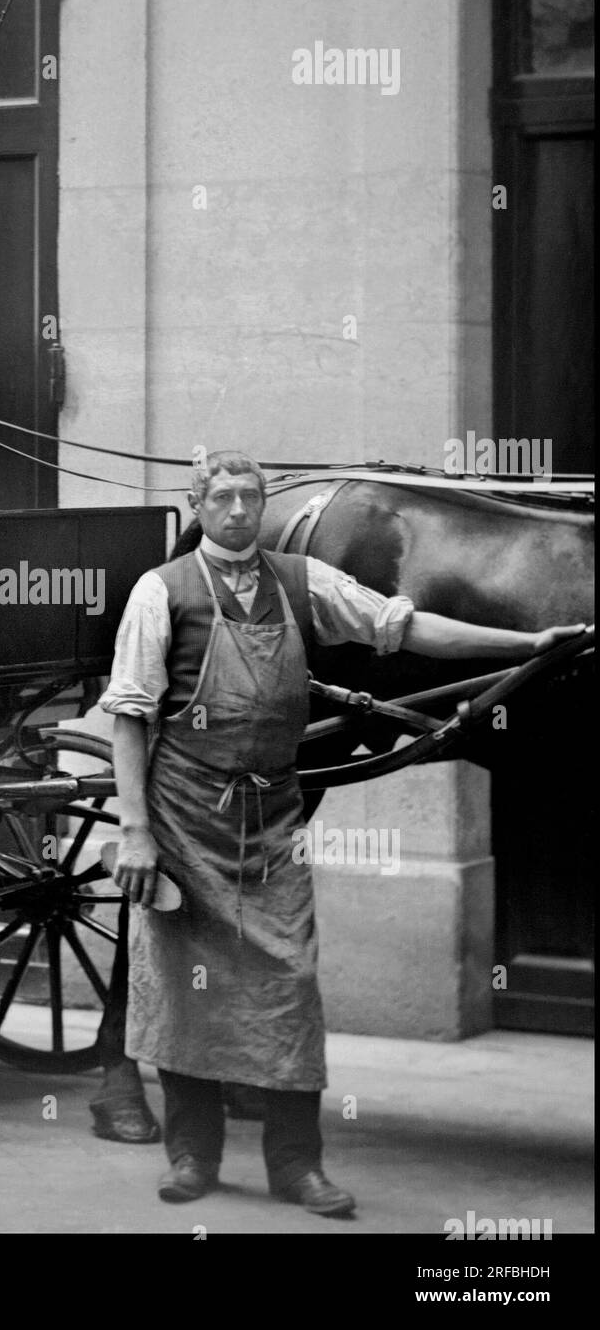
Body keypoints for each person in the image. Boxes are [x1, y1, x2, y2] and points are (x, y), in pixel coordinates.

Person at [99, 449, 586, 1212]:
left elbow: (405, 626)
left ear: (262, 506)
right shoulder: (158, 595)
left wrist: (522, 646)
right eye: (221, 497)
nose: (235, 511)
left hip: (272, 816)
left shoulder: (301, 582)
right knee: (184, 990)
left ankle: (297, 1167)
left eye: (248, 498)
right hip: (183, 811)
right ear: (197, 505)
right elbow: (129, 715)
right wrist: (134, 831)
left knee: (290, 984)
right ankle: (192, 1158)